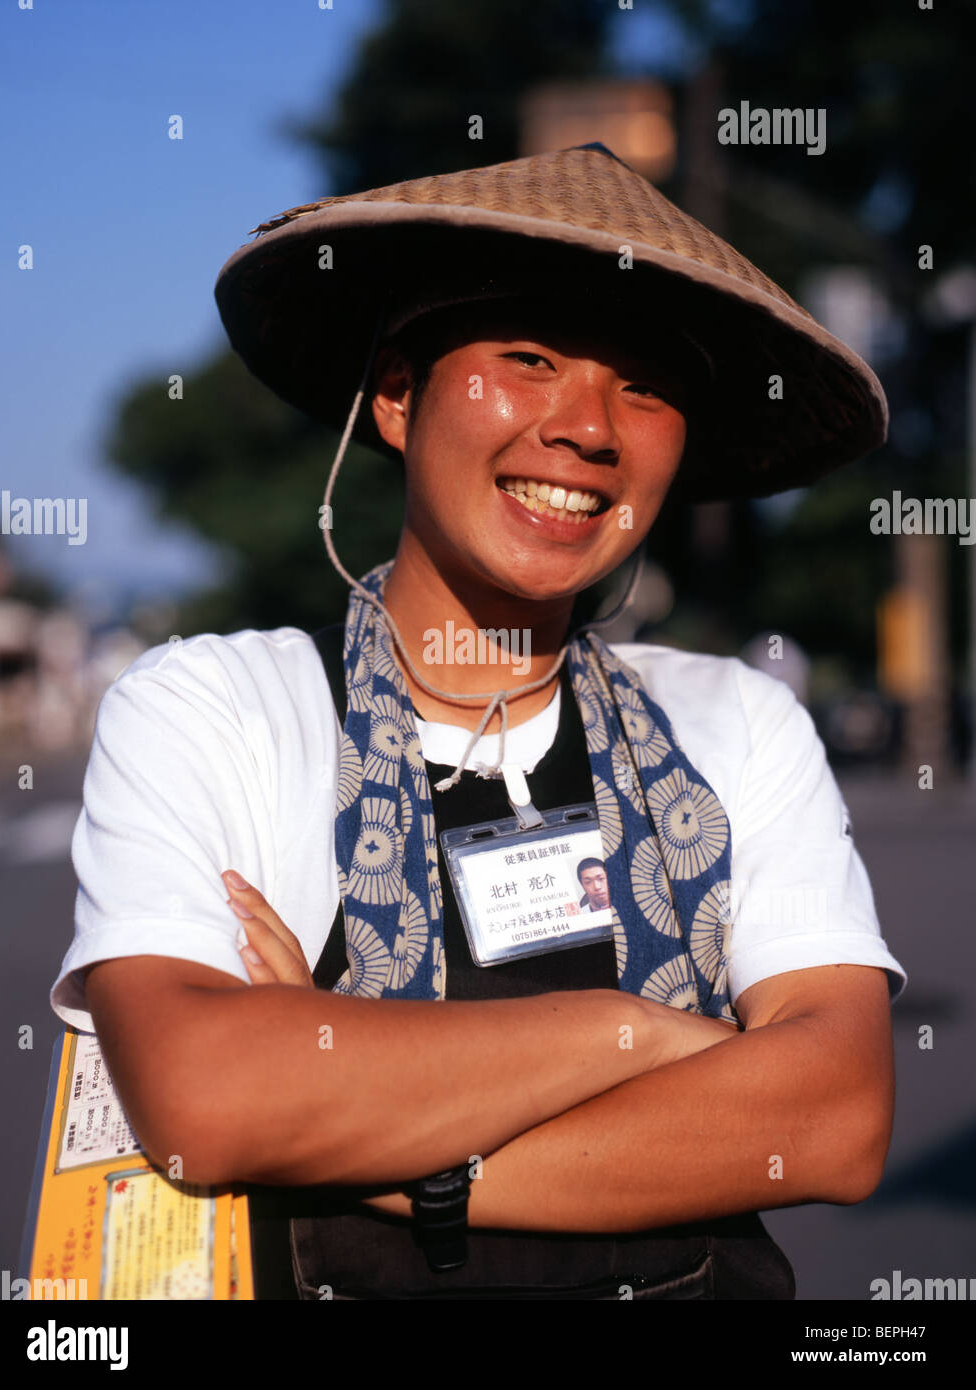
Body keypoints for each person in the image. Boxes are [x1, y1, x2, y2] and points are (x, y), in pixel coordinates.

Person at [50, 143, 906, 1300]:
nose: (590, 429)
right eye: (532, 358)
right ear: (398, 396)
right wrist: (641, 1033)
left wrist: (359, 1119)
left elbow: (832, 1118)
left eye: (645, 386)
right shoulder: (220, 707)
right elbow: (209, 1101)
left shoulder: (735, 723)